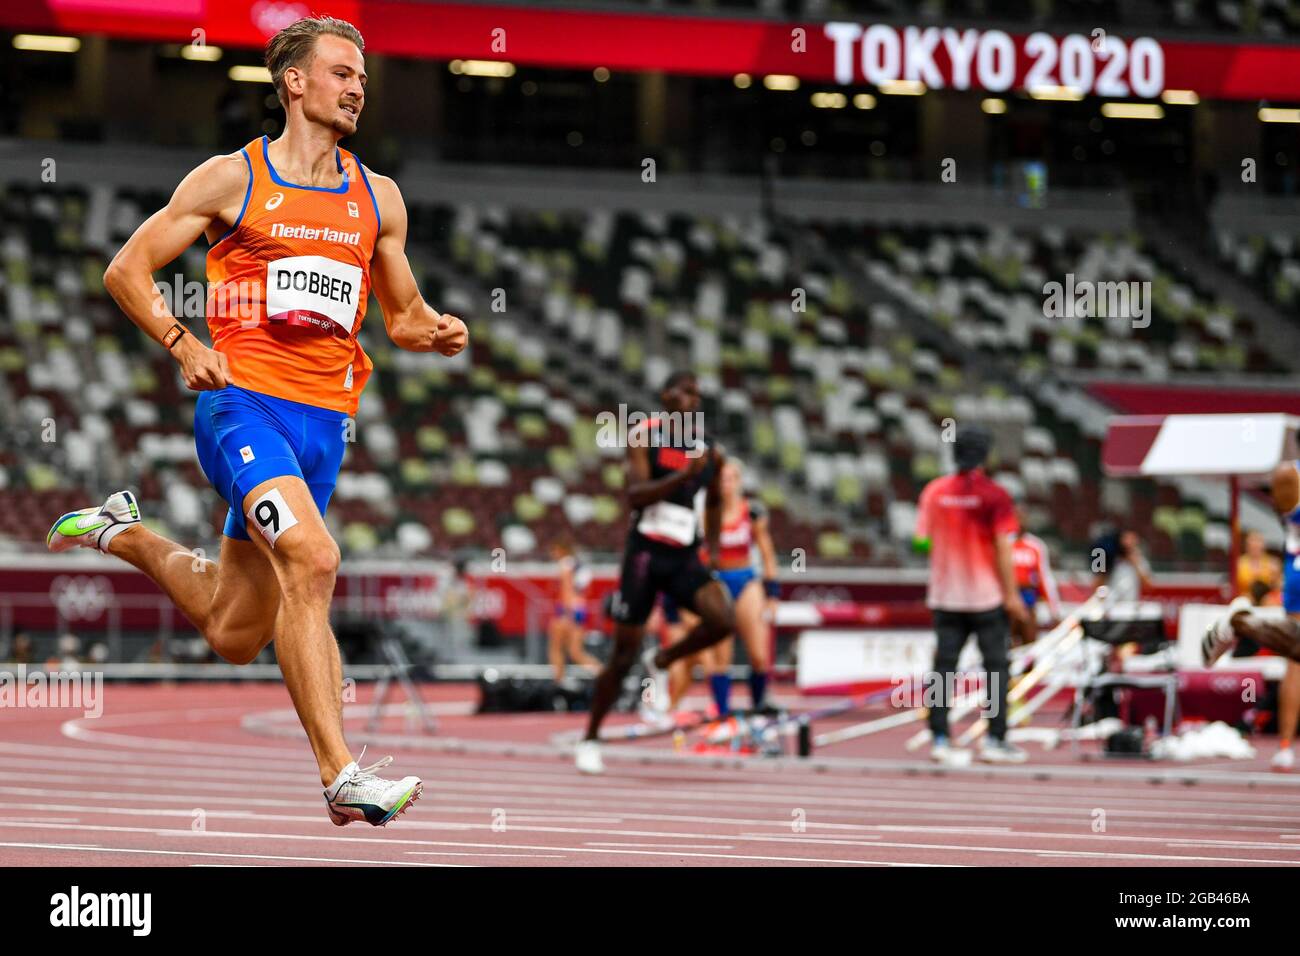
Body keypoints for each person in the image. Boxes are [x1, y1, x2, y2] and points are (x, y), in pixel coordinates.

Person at [45, 16, 467, 825]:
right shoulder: (229, 180)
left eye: (365, 79)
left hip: (322, 431)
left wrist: (439, 330)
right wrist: (180, 341)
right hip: (242, 407)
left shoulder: (377, 198)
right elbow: (125, 269)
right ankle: (342, 776)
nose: (357, 89)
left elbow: (404, 316)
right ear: (294, 83)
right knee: (311, 558)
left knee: (236, 628)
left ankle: (120, 531)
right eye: (342, 73)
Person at [575, 371, 736, 774]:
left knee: (722, 619)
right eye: (685, 392)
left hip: (684, 555)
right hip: (644, 555)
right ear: (666, 395)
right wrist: (683, 475)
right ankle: (591, 738)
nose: (692, 399)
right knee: (622, 655)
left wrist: (712, 549)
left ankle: (662, 661)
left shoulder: (709, 451)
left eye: (698, 394)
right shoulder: (643, 434)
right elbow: (634, 496)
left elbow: (715, 500)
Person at [914, 425, 1030, 765]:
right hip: (986, 598)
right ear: (985, 455)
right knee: (996, 670)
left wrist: (946, 543)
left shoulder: (934, 492)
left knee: (942, 671)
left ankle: (939, 739)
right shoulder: (996, 496)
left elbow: (920, 541)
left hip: (946, 596)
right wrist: (1011, 597)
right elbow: (1004, 548)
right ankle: (995, 739)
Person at [1205, 465, 1300, 771]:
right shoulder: (1291, 474)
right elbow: (1287, 503)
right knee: (1296, 661)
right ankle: (1285, 746)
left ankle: (1241, 624)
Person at [701, 459, 780, 718]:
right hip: (717, 581)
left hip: (746, 580)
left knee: (758, 653)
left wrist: (773, 595)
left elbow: (768, 555)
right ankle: (722, 712)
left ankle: (758, 706)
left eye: (731, 478)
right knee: (721, 657)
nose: (726, 483)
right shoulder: (706, 513)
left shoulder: (752, 513)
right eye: (721, 478)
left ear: (739, 481)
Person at [548, 539, 600, 682]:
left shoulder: (565, 564)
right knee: (575, 652)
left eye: (555, 550)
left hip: (567, 610)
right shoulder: (580, 566)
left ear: (563, 550)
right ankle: (602, 673)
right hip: (579, 608)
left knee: (556, 647)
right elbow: (583, 591)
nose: (552, 554)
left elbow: (567, 590)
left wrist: (566, 614)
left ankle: (558, 681)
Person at [1009, 508, 1061, 646]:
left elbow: (1045, 577)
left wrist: (1054, 610)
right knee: (1006, 643)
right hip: (1007, 601)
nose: (1019, 522)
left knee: (1030, 642)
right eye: (1016, 518)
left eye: (1022, 518)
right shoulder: (1003, 544)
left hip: (1028, 598)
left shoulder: (1035, 546)